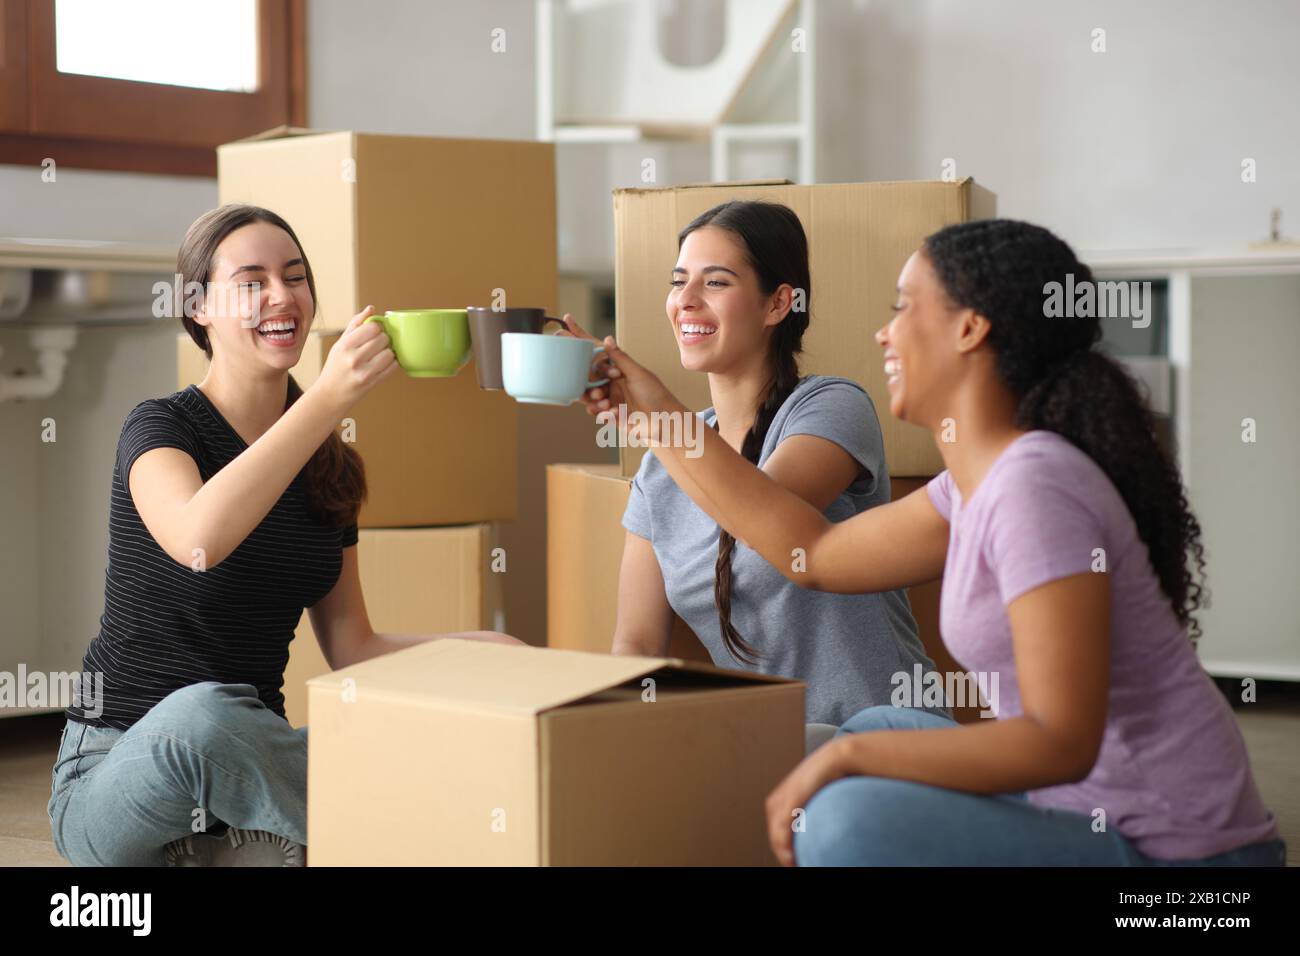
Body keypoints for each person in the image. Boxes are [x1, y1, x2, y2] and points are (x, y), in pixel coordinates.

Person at [577, 217, 1285, 867]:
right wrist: (659, 419)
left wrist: (845, 758)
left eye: (904, 306)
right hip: (1075, 806)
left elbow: (1060, 739)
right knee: (885, 724)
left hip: (1175, 852)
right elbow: (812, 556)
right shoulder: (970, 486)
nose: (885, 334)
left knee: (846, 822)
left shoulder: (1035, 486)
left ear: (970, 329)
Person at [47, 203, 522, 867]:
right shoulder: (158, 430)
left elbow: (354, 647)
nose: (281, 295)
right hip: (118, 777)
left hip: (246, 788)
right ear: (199, 308)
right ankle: (395, 828)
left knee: (390, 734)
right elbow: (198, 543)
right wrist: (328, 399)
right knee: (203, 716)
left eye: (295, 276)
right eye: (251, 281)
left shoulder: (331, 466)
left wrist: (483, 652)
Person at [562, 200, 947, 752]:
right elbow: (638, 643)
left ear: (778, 304)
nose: (686, 300)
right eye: (679, 281)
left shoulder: (830, 406)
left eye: (715, 282)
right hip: (767, 749)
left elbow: (769, 521)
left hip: (882, 738)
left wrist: (655, 414)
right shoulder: (660, 464)